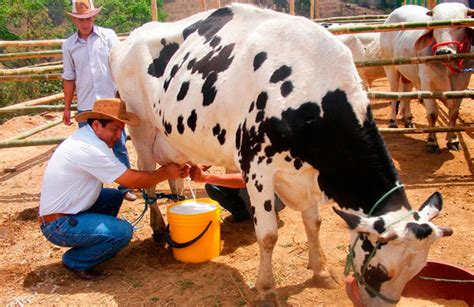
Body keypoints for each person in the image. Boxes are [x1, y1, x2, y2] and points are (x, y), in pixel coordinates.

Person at [38, 98, 190, 281]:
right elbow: (131, 181)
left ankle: (98, 240)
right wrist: (166, 172)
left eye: (121, 129)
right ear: (96, 125)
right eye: (114, 129)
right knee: (123, 232)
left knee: (113, 197)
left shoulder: (87, 138)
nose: (119, 136)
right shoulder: (89, 149)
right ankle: (76, 260)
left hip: (66, 212)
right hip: (58, 225)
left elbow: (126, 175)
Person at [61, 0, 136, 201]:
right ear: (75, 20)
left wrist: (124, 98)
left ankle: (125, 186)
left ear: (94, 17)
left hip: (110, 102)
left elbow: (120, 66)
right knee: (89, 150)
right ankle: (93, 192)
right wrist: (67, 108)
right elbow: (69, 77)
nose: (85, 23)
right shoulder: (68, 45)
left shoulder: (108, 36)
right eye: (81, 19)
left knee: (118, 142)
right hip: (86, 105)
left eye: (88, 18)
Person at [189, 166, 285, 224]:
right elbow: (213, 156)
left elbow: (246, 179)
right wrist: (193, 168)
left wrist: (206, 177)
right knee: (212, 187)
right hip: (240, 185)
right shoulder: (230, 139)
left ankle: (267, 215)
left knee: (247, 188)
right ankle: (241, 214)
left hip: (273, 195)